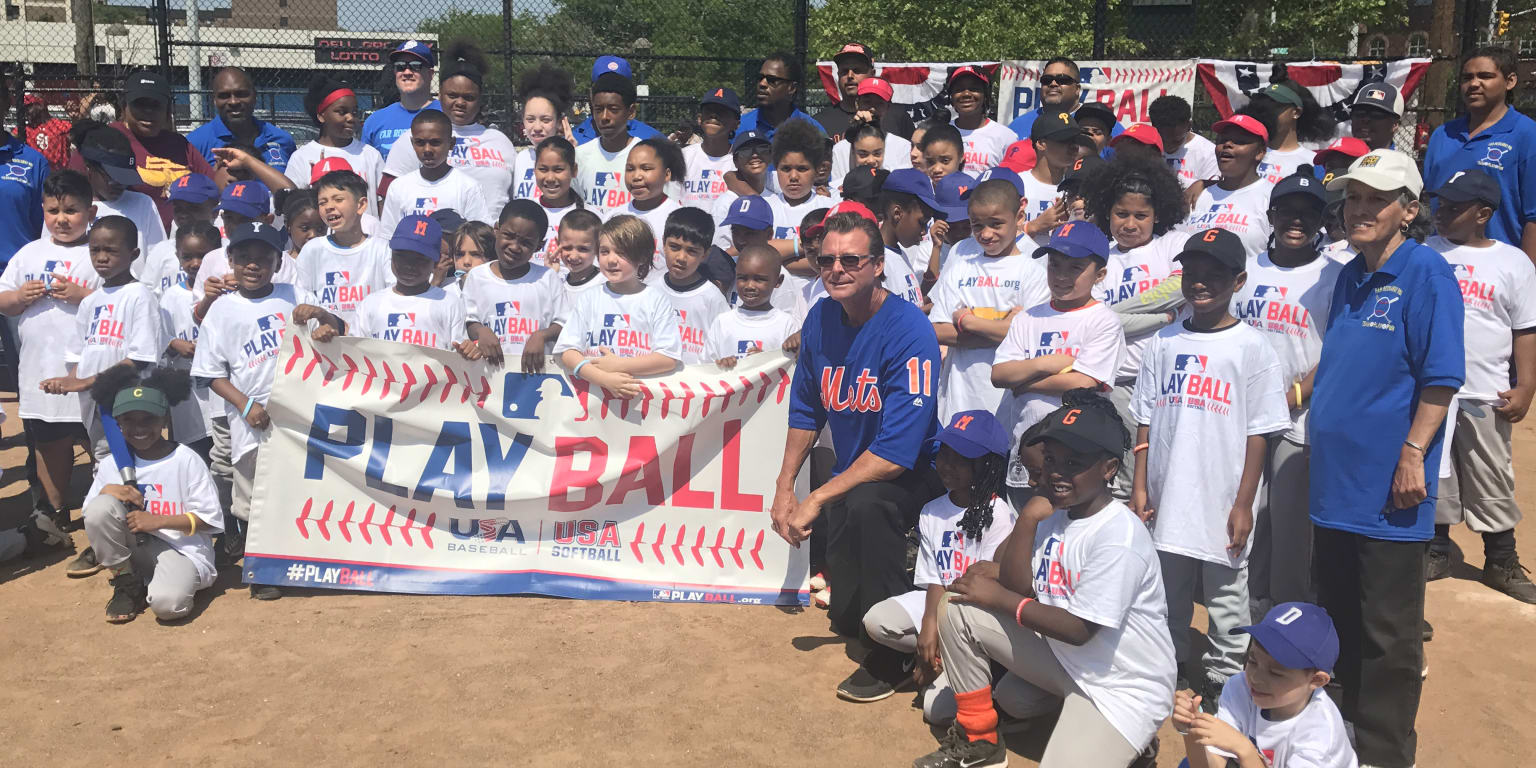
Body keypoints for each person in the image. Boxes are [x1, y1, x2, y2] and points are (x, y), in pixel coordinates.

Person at [913, 389, 1174, 768]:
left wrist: (1000, 598)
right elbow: (1019, 584)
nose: (1056, 472)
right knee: (958, 607)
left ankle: (1136, 744)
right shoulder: (1055, 514)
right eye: (1051, 460)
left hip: (1123, 685)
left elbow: (1079, 630)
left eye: (1074, 462)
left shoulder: (1119, 534)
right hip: (1066, 662)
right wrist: (1028, 519)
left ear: (1109, 469)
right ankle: (979, 741)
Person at [1310, 148, 1463, 768]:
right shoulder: (1351, 273)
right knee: (1339, 618)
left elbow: (1441, 378)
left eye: (1377, 199)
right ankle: (1340, 737)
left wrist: (1412, 454)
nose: (1362, 210)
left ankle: (1384, 752)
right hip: (1335, 486)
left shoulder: (1426, 274)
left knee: (1389, 633)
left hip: (1389, 488)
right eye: (1354, 198)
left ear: (1409, 209)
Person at [772, 208, 944, 702]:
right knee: (846, 616)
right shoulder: (822, 316)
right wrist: (786, 487)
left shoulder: (909, 331)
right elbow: (806, 409)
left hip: (914, 474)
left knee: (872, 505)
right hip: (855, 472)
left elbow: (894, 455)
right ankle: (873, 615)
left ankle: (893, 656)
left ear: (879, 265)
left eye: (851, 260)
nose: (837, 270)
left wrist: (817, 498)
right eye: (826, 261)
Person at [1132, 227, 1290, 700]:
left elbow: (1259, 432)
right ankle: (1174, 663)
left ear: (1239, 281)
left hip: (1223, 495)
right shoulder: (1163, 341)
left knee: (1226, 594)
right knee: (1168, 590)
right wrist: (1141, 484)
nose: (1200, 282)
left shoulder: (1252, 347)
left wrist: (1244, 503)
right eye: (1193, 272)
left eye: (1215, 274)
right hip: (1168, 491)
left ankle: (1224, 675)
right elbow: (1144, 418)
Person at [1230, 172, 1341, 614]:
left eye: (1309, 212)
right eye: (1288, 211)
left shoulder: (1333, 275)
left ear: (1321, 219)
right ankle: (1249, 608)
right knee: (1248, 513)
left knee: (1291, 523)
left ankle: (1289, 612)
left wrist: (1293, 395)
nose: (1297, 220)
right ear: (1271, 215)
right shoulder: (1246, 268)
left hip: (1299, 415)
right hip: (1239, 413)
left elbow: (1335, 350)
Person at [1425, 167, 1536, 603]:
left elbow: (1525, 328)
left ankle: (1501, 559)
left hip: (1484, 389)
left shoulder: (1511, 262)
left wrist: (1525, 385)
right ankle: (1435, 548)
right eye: (1440, 205)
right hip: (1432, 390)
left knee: (1491, 475)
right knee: (1434, 473)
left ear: (1483, 213)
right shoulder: (1425, 253)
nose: (1442, 214)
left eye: (1455, 208)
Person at [859, 409, 1016, 716]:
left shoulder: (999, 515)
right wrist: (930, 627)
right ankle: (930, 655)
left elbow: (983, 591)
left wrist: (942, 638)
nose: (947, 464)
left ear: (986, 464)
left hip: (975, 614)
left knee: (936, 711)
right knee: (876, 621)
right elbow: (935, 577)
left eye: (961, 458)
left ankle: (976, 664)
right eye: (944, 452)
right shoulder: (932, 510)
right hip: (940, 597)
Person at [191, 221, 300, 599]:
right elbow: (209, 373)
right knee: (255, 495)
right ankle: (262, 569)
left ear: (278, 262)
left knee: (293, 488)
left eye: (263, 259)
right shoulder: (222, 310)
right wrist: (243, 403)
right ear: (231, 260)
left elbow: (332, 327)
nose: (253, 266)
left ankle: (296, 560)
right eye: (244, 259)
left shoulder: (294, 293)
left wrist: (323, 320)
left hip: (297, 413)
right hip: (250, 416)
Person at [0, 170, 99, 546]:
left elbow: (120, 302)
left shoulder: (98, 252)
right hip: (40, 371)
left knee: (98, 442)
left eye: (72, 210)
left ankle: (107, 508)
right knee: (48, 443)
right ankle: (54, 515)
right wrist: (19, 297)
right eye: (54, 210)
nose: (61, 219)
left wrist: (82, 295)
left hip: (88, 371)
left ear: (90, 212)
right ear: (42, 209)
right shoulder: (30, 253)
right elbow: (3, 301)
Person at [79, 366, 224, 623]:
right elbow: (92, 514)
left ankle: (165, 582)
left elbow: (210, 520)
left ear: (165, 420)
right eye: (129, 420)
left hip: (180, 549)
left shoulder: (186, 460)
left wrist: (158, 521)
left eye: (148, 419)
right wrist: (106, 490)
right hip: (135, 550)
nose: (139, 428)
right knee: (101, 507)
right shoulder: (113, 463)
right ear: (118, 423)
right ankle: (127, 581)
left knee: (168, 606)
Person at [1082, 153, 1190, 498]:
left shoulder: (1173, 244)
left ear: (1158, 215)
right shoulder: (1099, 257)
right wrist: (1159, 318)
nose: (1130, 223)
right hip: (1116, 386)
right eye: (1121, 214)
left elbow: (1178, 289)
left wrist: (1112, 313)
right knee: (1124, 482)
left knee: (1170, 474)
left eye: (1140, 215)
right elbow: (1094, 324)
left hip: (1168, 381)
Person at [993, 221, 1125, 498]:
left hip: (1078, 459)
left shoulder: (1103, 320)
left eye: (1075, 268)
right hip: (1027, 449)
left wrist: (1026, 383)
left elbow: (1084, 381)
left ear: (1099, 274)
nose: (1062, 276)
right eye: (1055, 265)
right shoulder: (1028, 318)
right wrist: (1045, 363)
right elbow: (1000, 374)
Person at [1174, 602, 1358, 768]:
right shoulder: (1241, 688)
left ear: (1316, 681)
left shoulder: (1319, 737)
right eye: (1252, 661)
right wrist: (1191, 732)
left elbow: (1242, 751)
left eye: (1275, 673)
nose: (1256, 678)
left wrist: (1244, 750)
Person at [928, 174, 1048, 425]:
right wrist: (1004, 328)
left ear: (1019, 218)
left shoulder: (1033, 271)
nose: (986, 233)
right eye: (977, 225)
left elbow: (1029, 336)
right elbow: (938, 330)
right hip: (960, 400)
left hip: (1008, 402)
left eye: (996, 224)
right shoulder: (961, 266)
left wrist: (968, 322)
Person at [44, 215, 165, 461]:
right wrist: (67, 381)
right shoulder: (90, 301)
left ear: (133, 254)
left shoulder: (140, 296)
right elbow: (81, 354)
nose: (101, 257)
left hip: (129, 401)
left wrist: (87, 382)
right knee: (102, 457)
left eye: (111, 250)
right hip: (95, 401)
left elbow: (140, 359)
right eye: (95, 250)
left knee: (131, 459)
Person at [1424, 46, 1536, 260]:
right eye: (1467, 78)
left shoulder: (1527, 135)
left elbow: (1534, 218)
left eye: (1485, 76)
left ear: (1510, 81)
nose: (1474, 84)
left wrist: (1529, 277)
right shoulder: (1442, 135)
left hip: (1498, 270)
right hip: (1440, 260)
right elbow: (1430, 201)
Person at [68, 71, 215, 231]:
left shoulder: (180, 144)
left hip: (179, 241)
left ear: (167, 110)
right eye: (140, 104)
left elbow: (212, 188)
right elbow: (70, 195)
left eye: (156, 105)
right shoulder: (104, 140)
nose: (148, 111)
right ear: (124, 107)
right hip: (125, 240)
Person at [383, 42, 515, 217]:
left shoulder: (500, 142)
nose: (460, 103)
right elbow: (388, 199)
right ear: (440, 93)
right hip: (431, 240)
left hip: (488, 240)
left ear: (480, 98)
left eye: (469, 97)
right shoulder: (417, 138)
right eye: (452, 95)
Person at [553, 214, 682, 394]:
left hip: (642, 399)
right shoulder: (589, 297)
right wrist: (603, 378)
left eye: (621, 253)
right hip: (594, 400)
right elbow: (567, 351)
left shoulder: (656, 300)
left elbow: (668, 357)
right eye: (605, 251)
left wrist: (619, 364)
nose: (611, 260)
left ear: (643, 257)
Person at [462, 199, 563, 371]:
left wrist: (542, 335)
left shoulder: (548, 278)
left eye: (526, 243)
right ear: (496, 230)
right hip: (490, 375)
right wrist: (480, 331)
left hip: (536, 375)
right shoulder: (477, 277)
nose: (515, 247)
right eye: (509, 236)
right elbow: (469, 321)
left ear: (539, 246)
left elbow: (563, 323)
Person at [296, 169, 394, 332]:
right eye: (323, 202)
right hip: (326, 345)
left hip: (371, 346)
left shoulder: (382, 249)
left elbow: (393, 299)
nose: (329, 207)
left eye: (338, 199)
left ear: (361, 205)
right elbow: (303, 300)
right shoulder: (312, 251)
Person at [159, 221, 218, 459]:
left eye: (203, 256)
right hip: (189, 395)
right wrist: (174, 344)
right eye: (187, 257)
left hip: (220, 393)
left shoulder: (227, 293)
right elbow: (159, 339)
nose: (195, 264)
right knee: (195, 453)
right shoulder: (171, 296)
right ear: (177, 256)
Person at [286, 77, 385, 218]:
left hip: (365, 236)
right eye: (342, 112)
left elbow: (382, 204)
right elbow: (295, 206)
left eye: (354, 112)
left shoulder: (370, 154)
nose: (351, 118)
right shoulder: (302, 157)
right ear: (321, 116)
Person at [379, 110, 490, 235]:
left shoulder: (468, 187)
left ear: (451, 144)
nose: (427, 149)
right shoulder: (398, 187)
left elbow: (477, 237)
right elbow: (388, 236)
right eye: (420, 142)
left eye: (435, 142)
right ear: (412, 143)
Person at [1182, 115, 1273, 257]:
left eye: (1239, 141)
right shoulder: (1198, 193)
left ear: (1260, 152)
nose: (1227, 145)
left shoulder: (1272, 196)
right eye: (1222, 140)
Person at [707, 244, 802, 368]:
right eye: (742, 278)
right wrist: (721, 365)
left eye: (759, 279)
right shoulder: (722, 322)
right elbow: (706, 367)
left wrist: (766, 362)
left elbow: (794, 368)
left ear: (778, 281)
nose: (749, 286)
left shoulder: (787, 325)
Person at [655, 207, 730, 364]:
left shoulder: (713, 298)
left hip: (696, 385)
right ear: (663, 243)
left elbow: (725, 347)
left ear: (705, 254)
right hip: (654, 385)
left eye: (691, 251)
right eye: (674, 247)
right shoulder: (651, 290)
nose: (681, 257)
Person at [78, 126, 167, 256]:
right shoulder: (68, 208)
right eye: (112, 177)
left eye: (125, 178)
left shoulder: (143, 204)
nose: (119, 183)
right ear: (89, 169)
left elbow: (158, 255)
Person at [188, 68, 296, 173]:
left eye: (241, 94)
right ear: (214, 100)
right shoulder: (195, 144)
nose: (233, 102)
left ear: (254, 96)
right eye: (224, 96)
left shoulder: (282, 139)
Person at [813, 42, 916, 143]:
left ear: (872, 73)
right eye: (844, 71)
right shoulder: (819, 122)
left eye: (857, 70)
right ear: (838, 75)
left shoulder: (897, 117)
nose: (850, 76)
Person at [574, 71, 643, 220]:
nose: (604, 117)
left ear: (631, 112)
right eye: (598, 110)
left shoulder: (646, 156)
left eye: (613, 109)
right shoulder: (579, 155)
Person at [1242, 80, 1336, 185]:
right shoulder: (1245, 154)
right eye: (1265, 106)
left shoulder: (1314, 163)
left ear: (1296, 112)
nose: (1268, 111)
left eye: (1276, 107)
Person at [361, 40, 441, 156]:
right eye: (400, 67)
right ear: (394, 72)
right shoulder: (375, 121)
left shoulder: (447, 116)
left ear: (430, 74)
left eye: (415, 66)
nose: (407, 72)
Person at [829, 78, 915, 184]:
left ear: (887, 107)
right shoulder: (840, 149)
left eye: (879, 103)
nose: (873, 108)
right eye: (867, 102)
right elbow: (836, 190)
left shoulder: (903, 147)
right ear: (857, 104)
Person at [619, 138, 686, 267]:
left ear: (667, 175)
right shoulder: (613, 216)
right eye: (630, 169)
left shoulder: (680, 219)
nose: (636, 176)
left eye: (646, 168)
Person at [513, 63, 576, 200]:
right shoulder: (521, 159)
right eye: (530, 119)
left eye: (545, 120)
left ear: (559, 122)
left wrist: (574, 154)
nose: (537, 127)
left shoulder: (573, 157)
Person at [570, 56, 662, 145]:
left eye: (617, 86)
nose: (609, 94)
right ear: (590, 92)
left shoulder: (652, 140)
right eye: (602, 86)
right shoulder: (572, 140)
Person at [707, 130, 772, 251]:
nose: (755, 155)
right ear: (735, 161)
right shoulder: (725, 203)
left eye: (762, 149)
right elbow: (720, 252)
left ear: (770, 155)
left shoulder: (779, 193)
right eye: (746, 151)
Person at [1021, 111, 1078, 246]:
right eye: (1064, 140)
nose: (1074, 146)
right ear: (1041, 144)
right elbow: (994, 232)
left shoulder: (1077, 188)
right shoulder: (1016, 184)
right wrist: (1032, 227)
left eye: (1076, 140)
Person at [947, 66, 1017, 175]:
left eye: (974, 89)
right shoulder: (940, 133)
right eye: (959, 89)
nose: (966, 94)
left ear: (985, 96)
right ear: (951, 96)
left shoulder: (1006, 137)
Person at [1150, 95, 1218, 205]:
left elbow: (1212, 194)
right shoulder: (1145, 147)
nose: (1168, 146)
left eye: (1176, 141)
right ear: (1153, 126)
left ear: (1189, 125)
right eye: (1163, 140)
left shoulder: (1209, 153)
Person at [740, 52, 823, 141]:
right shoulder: (740, 127)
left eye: (772, 80)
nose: (762, 84)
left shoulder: (813, 132)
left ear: (792, 88)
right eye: (760, 78)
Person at [681, 87, 740, 211]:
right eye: (709, 111)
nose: (714, 115)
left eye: (722, 111)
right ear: (699, 118)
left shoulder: (741, 161)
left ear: (736, 124)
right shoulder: (682, 157)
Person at [526, 137, 581, 267]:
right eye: (543, 169)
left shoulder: (589, 215)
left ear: (574, 171)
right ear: (534, 170)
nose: (550, 178)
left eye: (558, 170)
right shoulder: (523, 213)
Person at [1350, 82, 1404, 152]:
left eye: (1376, 115)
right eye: (1359, 113)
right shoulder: (1336, 160)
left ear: (1395, 125)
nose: (1365, 119)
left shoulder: (1400, 162)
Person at [24, 94, 72, 169]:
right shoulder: (26, 129)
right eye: (25, 108)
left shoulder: (58, 124)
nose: (26, 112)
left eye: (29, 107)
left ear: (39, 106)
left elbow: (72, 133)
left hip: (58, 170)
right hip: (35, 169)